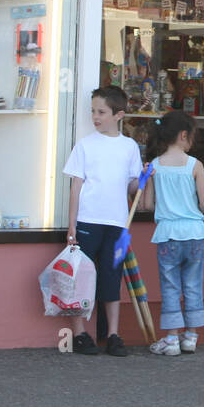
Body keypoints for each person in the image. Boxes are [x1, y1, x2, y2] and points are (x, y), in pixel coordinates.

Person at [64, 86, 145, 356]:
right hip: (88, 219)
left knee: (112, 276)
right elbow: (76, 186)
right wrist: (72, 224)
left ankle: (113, 333)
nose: (95, 117)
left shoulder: (129, 147)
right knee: (80, 276)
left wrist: (144, 179)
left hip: (117, 223)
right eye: (93, 111)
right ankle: (79, 333)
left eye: (101, 112)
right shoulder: (85, 145)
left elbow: (132, 187)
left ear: (118, 115)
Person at [142, 111, 204, 356]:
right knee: (193, 284)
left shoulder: (155, 166)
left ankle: (172, 338)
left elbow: (147, 206)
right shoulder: (195, 165)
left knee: (170, 285)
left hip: (167, 234)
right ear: (184, 135)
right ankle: (191, 336)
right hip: (194, 232)